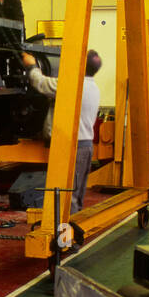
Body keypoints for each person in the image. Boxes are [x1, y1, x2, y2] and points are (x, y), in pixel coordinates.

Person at [20, 48, 102, 208]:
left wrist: (30, 65)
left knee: (66, 195)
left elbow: (41, 84)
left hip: (72, 147)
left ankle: (64, 230)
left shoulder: (74, 84)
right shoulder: (94, 87)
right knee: (76, 194)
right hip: (85, 146)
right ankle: (71, 227)